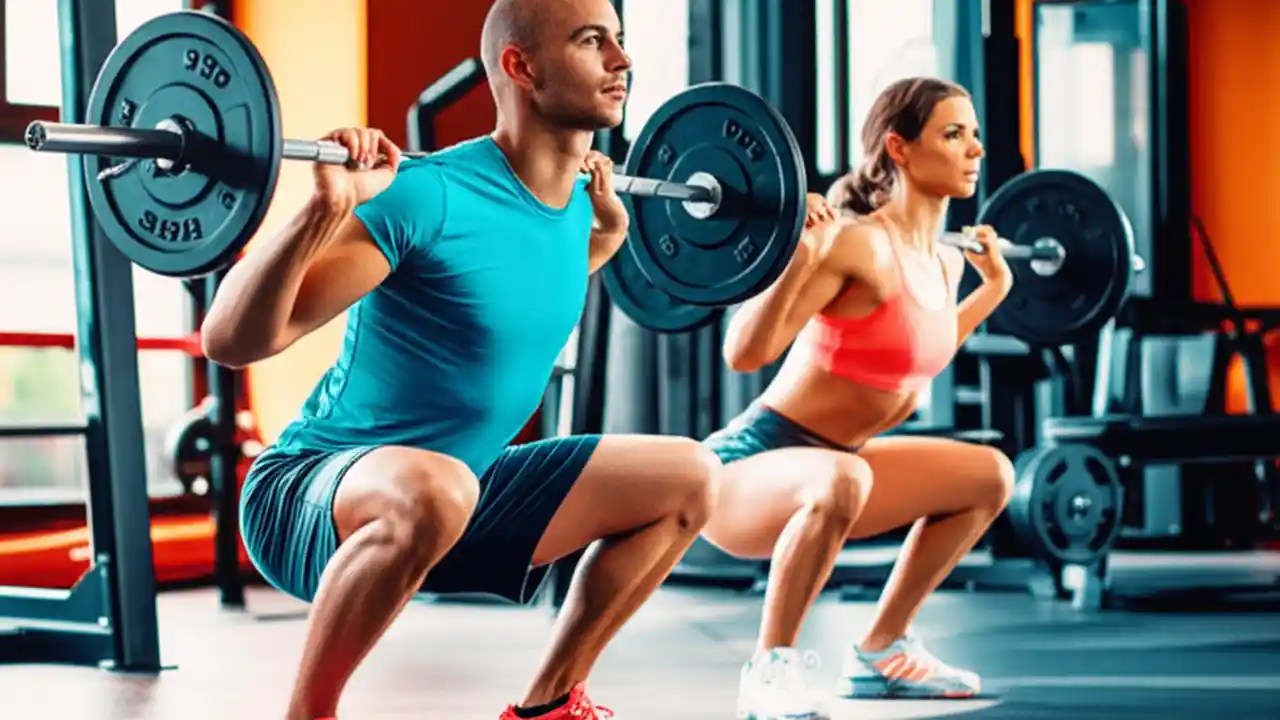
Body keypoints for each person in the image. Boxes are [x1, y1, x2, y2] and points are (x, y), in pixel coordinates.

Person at [201, 1, 720, 718]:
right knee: (439, 488)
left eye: (620, 40)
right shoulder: (428, 194)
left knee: (690, 476)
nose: (622, 60)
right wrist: (321, 212)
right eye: (592, 41)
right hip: (309, 496)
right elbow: (231, 341)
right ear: (520, 66)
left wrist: (608, 234)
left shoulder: (578, 211)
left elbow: (515, 291)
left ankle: (548, 707)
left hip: (460, 490)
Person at [698, 76, 1017, 719]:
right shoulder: (858, 243)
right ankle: (769, 669)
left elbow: (915, 352)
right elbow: (743, 354)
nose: (975, 149)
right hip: (745, 469)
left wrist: (993, 290)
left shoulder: (946, 261)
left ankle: (881, 651)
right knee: (843, 477)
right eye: (953, 134)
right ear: (899, 148)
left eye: (975, 134)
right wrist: (799, 259)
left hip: (840, 466)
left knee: (990, 475)